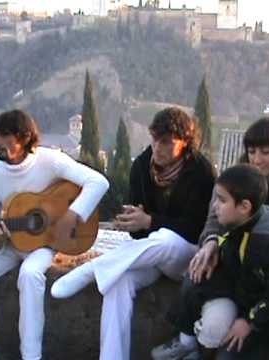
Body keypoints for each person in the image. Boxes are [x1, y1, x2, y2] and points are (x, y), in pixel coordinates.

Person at [153, 117, 269, 360]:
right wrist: (210, 243)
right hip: (236, 278)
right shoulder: (234, 180)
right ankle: (191, 344)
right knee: (211, 321)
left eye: (266, 152)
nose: (257, 159)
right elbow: (213, 222)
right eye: (252, 151)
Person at [51, 107, 216, 360]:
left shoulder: (201, 172)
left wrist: (150, 221)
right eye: (154, 140)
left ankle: (93, 268)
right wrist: (134, 225)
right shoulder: (142, 166)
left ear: (184, 143)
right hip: (152, 253)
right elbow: (140, 237)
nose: (158, 148)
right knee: (118, 282)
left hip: (187, 258)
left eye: (167, 143)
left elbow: (197, 230)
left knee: (167, 239)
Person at [0, 109, 109, 360]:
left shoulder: (50, 160)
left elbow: (99, 183)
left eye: (7, 143)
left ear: (25, 138)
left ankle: (31, 356)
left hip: (44, 243)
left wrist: (72, 216)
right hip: (9, 243)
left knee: (30, 275)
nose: (0, 149)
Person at [153, 164, 269, 360]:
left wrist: (249, 321)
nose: (215, 207)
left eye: (222, 200)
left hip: (262, 310)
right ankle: (189, 344)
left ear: (244, 206)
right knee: (195, 280)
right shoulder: (237, 223)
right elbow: (234, 271)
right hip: (241, 296)